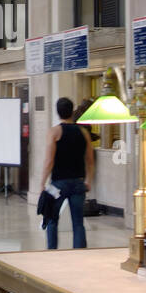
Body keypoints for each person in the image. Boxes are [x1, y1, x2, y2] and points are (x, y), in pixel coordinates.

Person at [38, 97, 94, 250]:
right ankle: (79, 253)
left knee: (52, 219)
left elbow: (49, 160)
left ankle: (52, 251)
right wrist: (89, 180)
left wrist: (42, 182)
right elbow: (90, 160)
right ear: (72, 111)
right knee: (78, 223)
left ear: (57, 112)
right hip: (78, 182)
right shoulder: (83, 132)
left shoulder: (54, 132)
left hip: (58, 183)